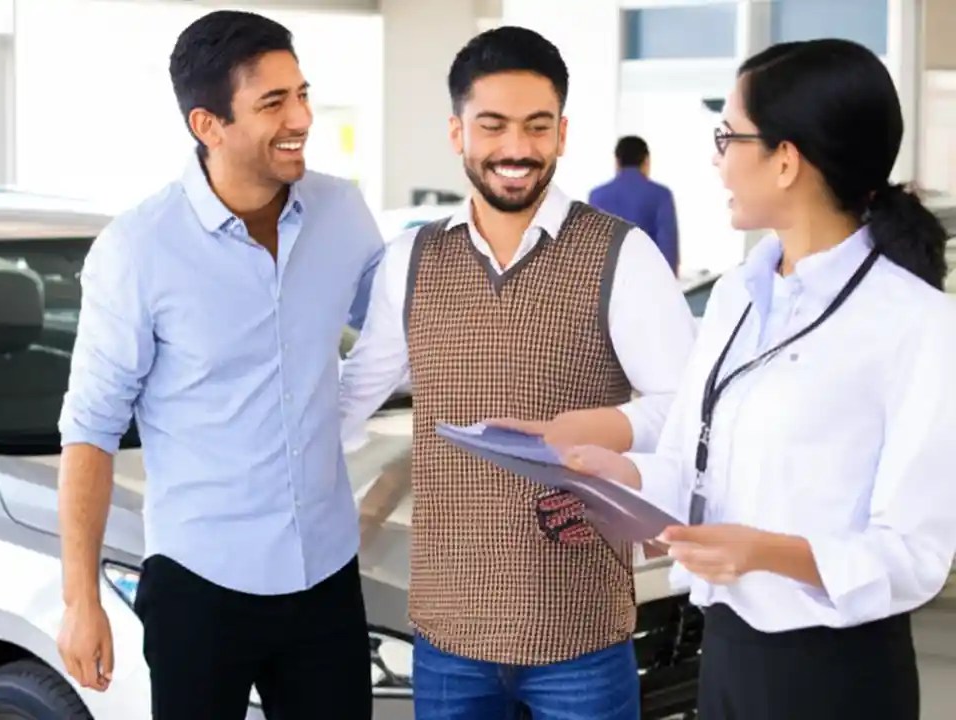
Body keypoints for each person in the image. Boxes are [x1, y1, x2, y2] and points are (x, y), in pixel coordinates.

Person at [558, 38, 956, 720]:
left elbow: (914, 554)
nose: (716, 160)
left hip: (838, 677)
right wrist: (620, 478)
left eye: (727, 136)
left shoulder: (916, 322)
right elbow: (693, 462)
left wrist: (766, 554)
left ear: (785, 160)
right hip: (729, 657)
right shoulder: (738, 297)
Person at [339, 26, 697, 719]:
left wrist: (598, 445)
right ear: (456, 132)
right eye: (492, 125)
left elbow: (684, 408)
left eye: (537, 126)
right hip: (448, 634)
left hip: (581, 630)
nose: (516, 149)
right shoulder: (413, 260)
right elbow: (353, 397)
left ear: (562, 133)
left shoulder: (622, 255)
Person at [54, 10, 383, 720]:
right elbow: (90, 428)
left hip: (325, 573)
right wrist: (81, 600)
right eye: (273, 103)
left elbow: (399, 334)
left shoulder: (343, 212)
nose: (301, 117)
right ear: (208, 125)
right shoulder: (138, 249)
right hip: (202, 584)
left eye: (301, 93)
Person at [589, 135, 680, 274]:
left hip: (608, 285)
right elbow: (668, 248)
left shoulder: (597, 196)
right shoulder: (661, 195)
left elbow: (592, 250)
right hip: (648, 282)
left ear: (617, 161)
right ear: (646, 161)